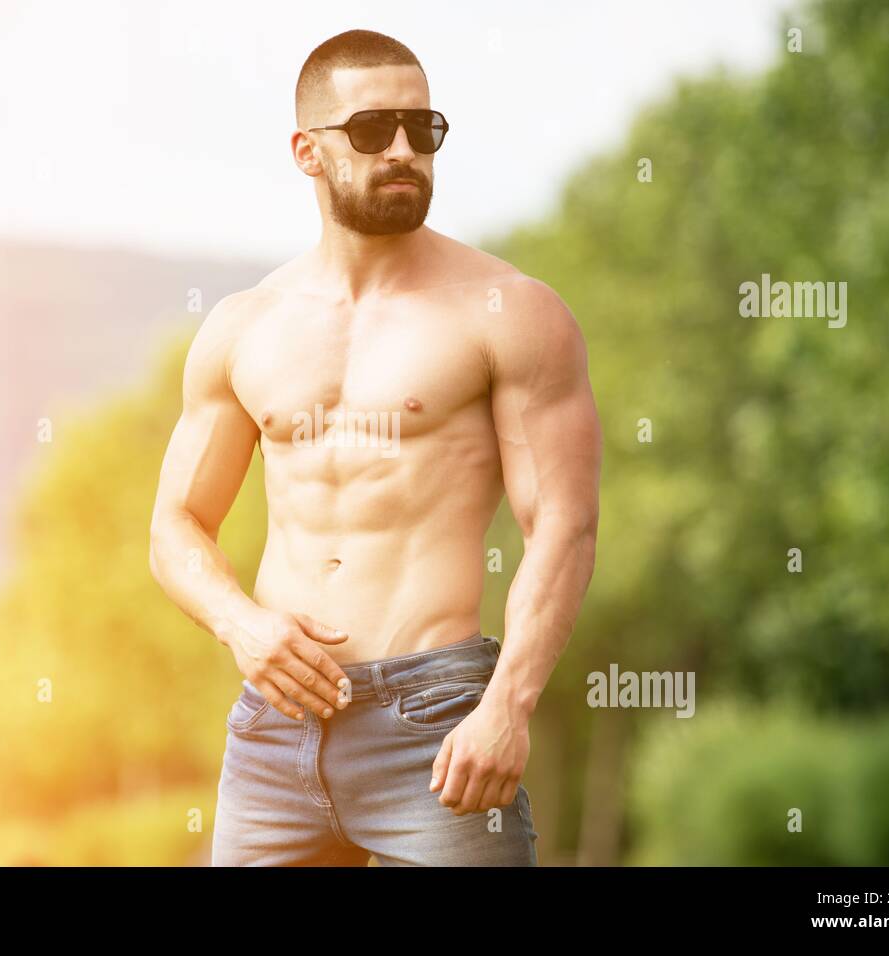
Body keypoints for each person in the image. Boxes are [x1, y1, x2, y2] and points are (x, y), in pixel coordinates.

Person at [149, 28, 601, 866]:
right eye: (372, 130)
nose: (403, 150)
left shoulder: (511, 311)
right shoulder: (243, 327)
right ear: (307, 151)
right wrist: (240, 624)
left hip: (439, 729)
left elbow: (565, 525)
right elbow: (175, 525)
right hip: (273, 728)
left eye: (422, 130)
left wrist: (509, 705)